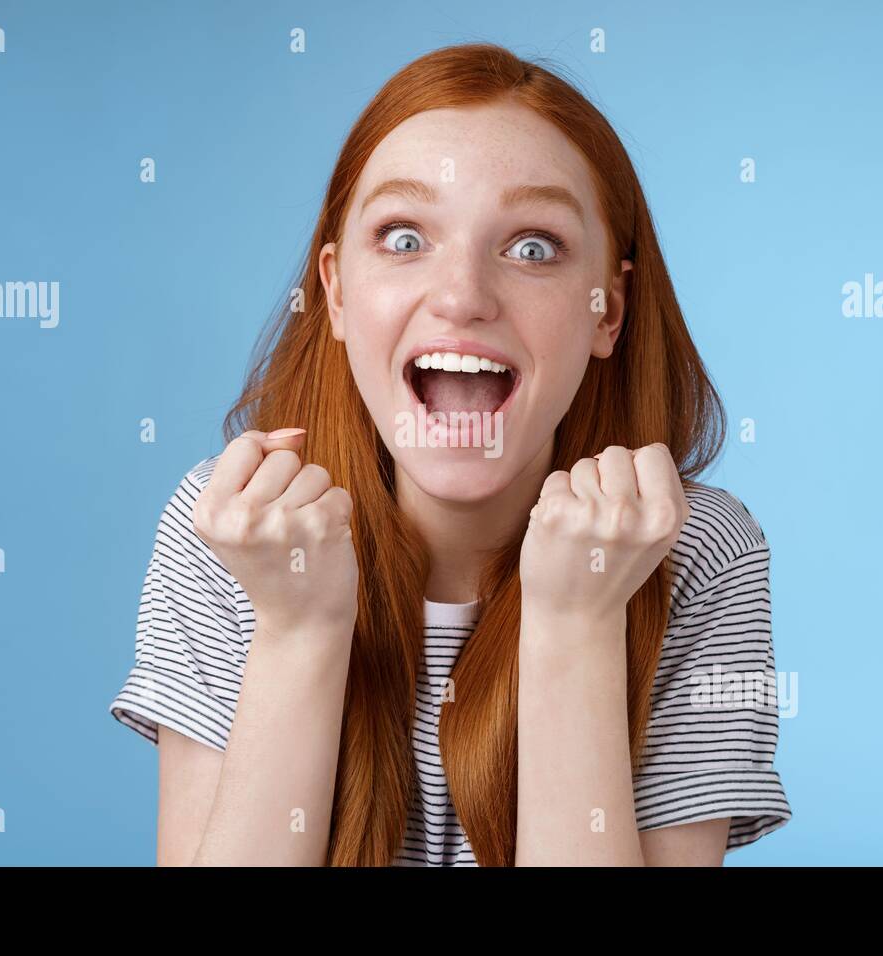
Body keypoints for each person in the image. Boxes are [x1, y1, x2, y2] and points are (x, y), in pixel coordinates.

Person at [109, 42, 791, 866]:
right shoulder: (228, 530)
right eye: (404, 238)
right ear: (335, 292)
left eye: (533, 246)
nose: (464, 295)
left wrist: (576, 624)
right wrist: (297, 628)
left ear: (607, 311)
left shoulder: (693, 554)